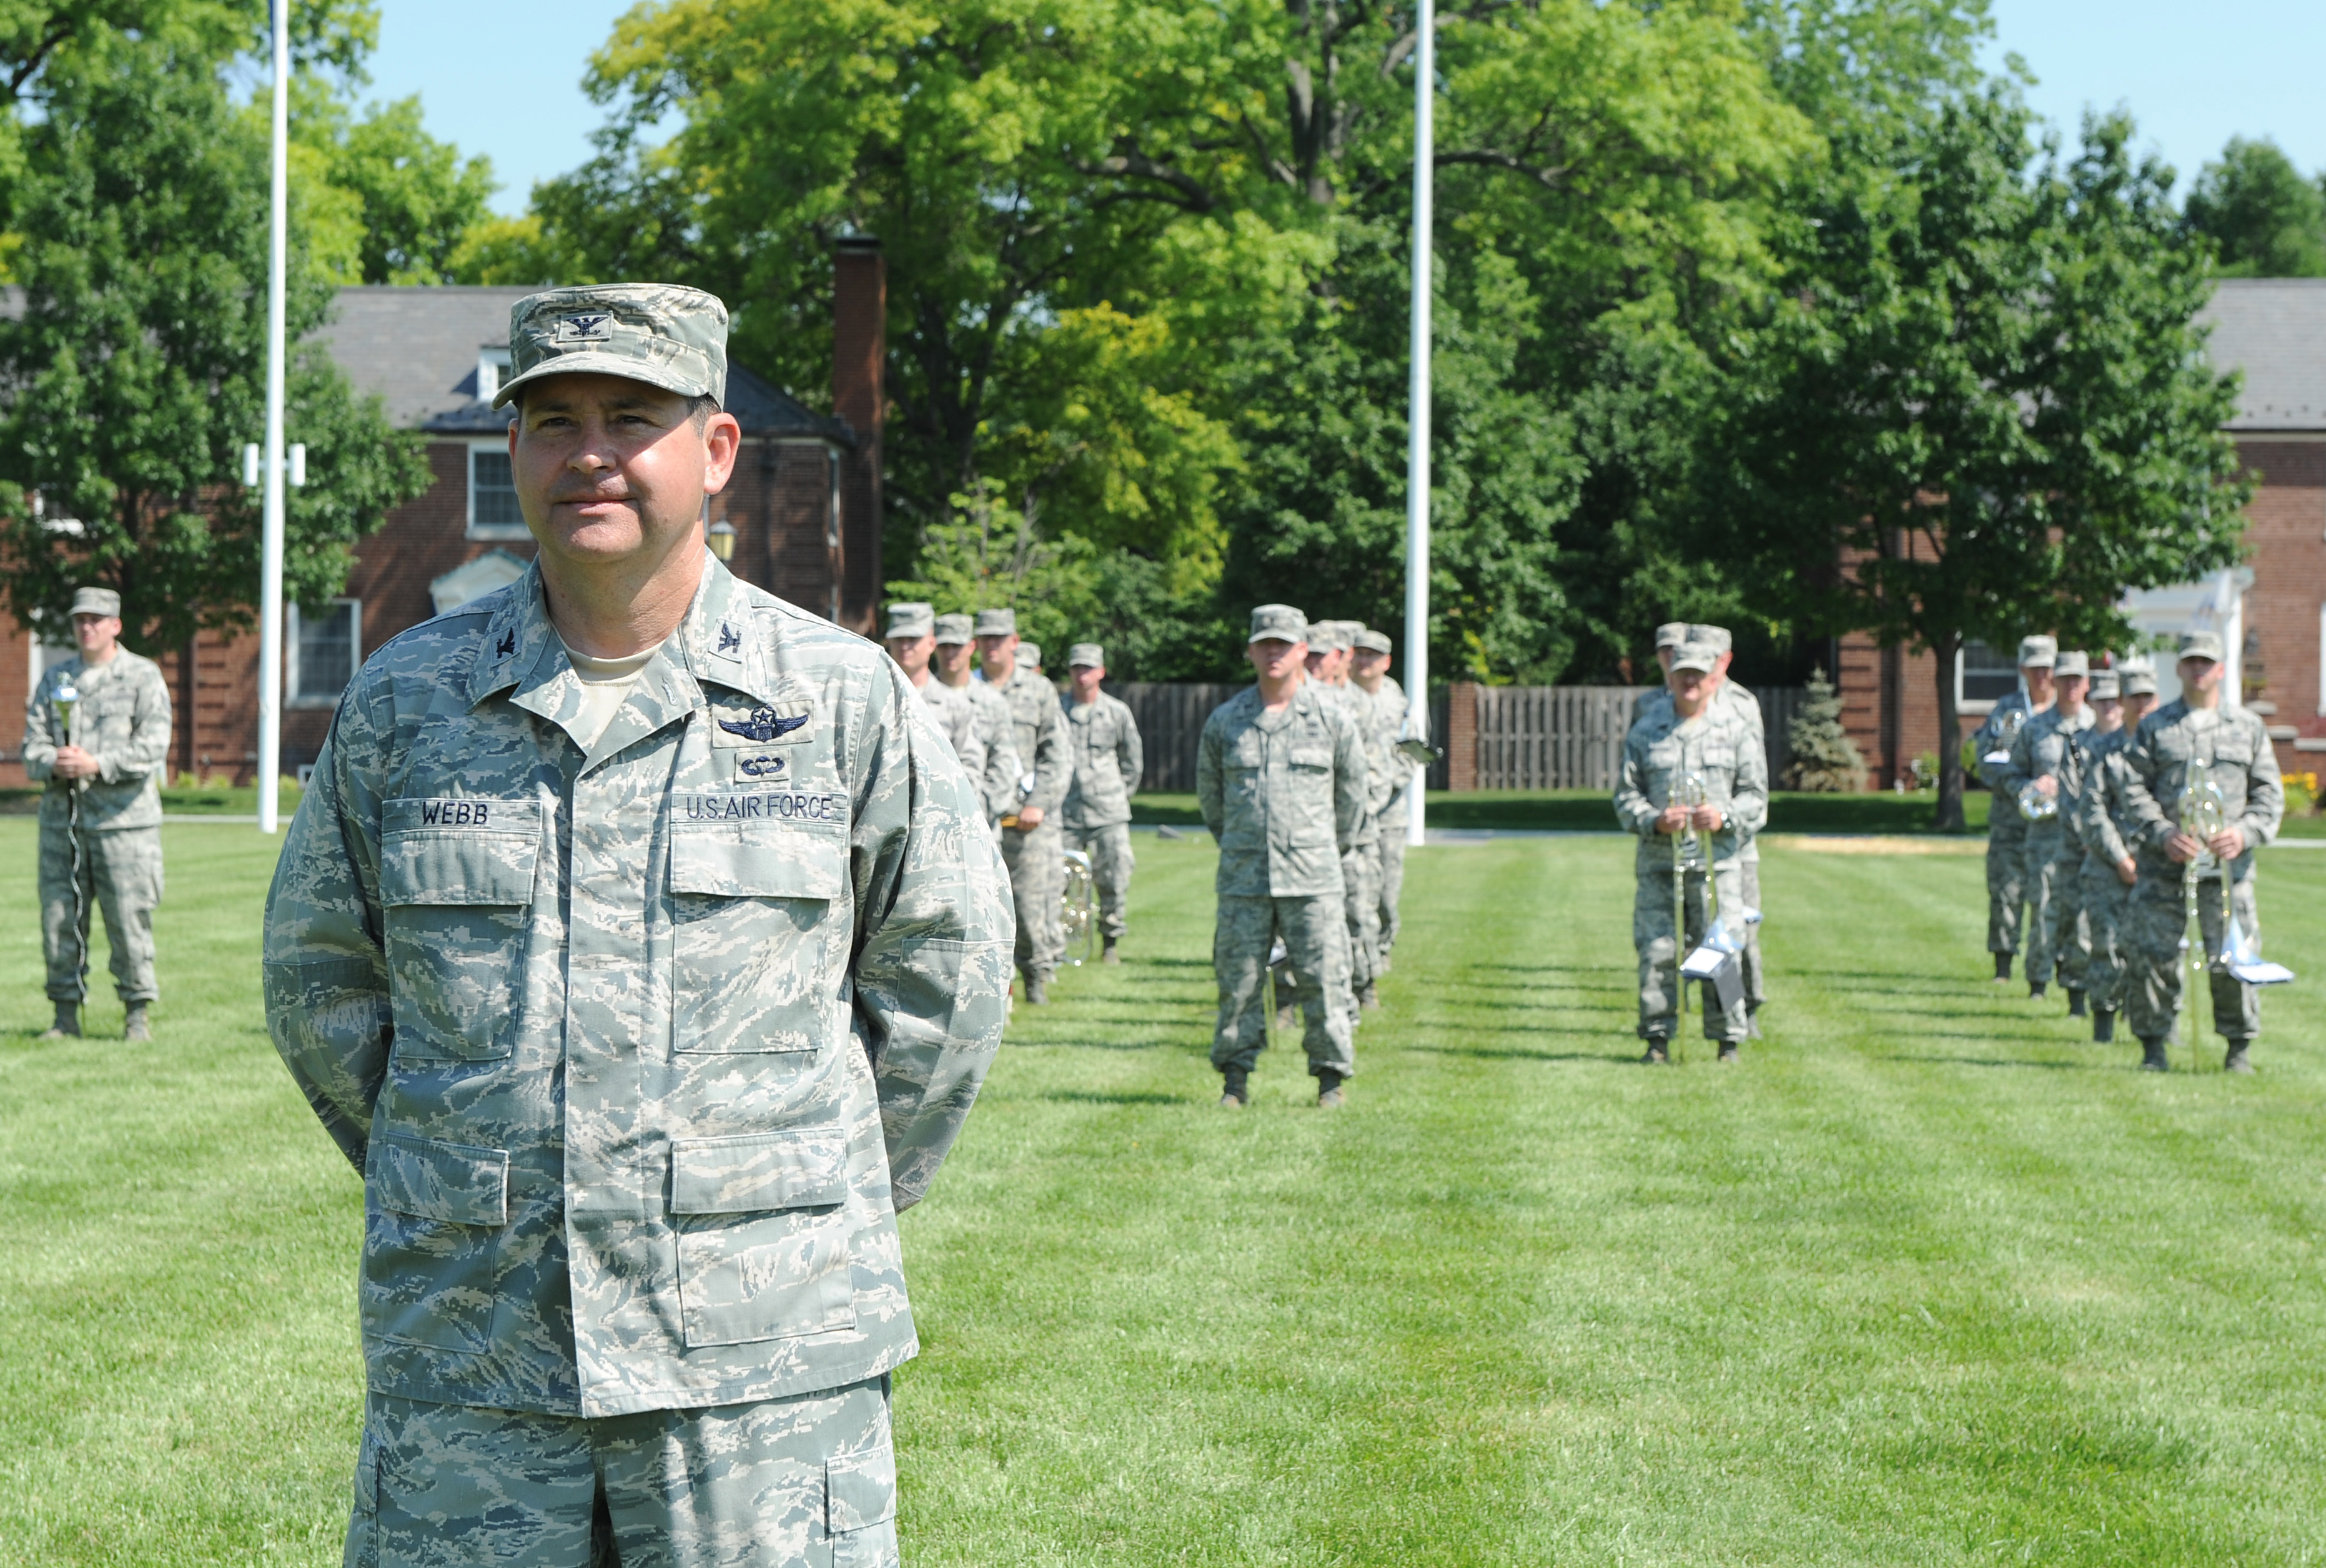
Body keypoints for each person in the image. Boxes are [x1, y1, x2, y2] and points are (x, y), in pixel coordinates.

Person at [262, 282, 1012, 1568]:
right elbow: (322, 980)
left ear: (714, 451)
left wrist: (787, 1197)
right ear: (514, 452)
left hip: (762, 1372)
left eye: (631, 416)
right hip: (477, 1362)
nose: (589, 453)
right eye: (552, 421)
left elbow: (944, 981)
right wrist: (462, 1175)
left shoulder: (835, 702)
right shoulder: (409, 705)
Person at [1197, 604, 1367, 1108]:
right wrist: (1241, 845)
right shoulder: (1226, 722)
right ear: (1251, 650)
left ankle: (1330, 1080)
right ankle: (1235, 1080)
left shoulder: (1332, 719)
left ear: (1301, 652)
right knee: (1239, 981)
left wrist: (1324, 851)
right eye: (1264, 643)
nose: (1273, 652)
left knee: (1325, 981)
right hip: (1244, 878)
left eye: (1283, 644)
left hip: (1314, 877)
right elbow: (1212, 800)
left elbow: (1353, 798)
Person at [2117, 631, 2284, 1073]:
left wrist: (2244, 833)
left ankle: (2238, 1048)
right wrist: (2163, 832)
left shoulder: (2247, 727)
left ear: (2221, 669)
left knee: (2232, 957)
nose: (2198, 669)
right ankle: (2153, 1045)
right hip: (2164, 865)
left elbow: (2269, 795)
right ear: (2178, 668)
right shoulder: (2156, 726)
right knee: (2152, 954)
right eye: (2191, 661)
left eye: (2207, 662)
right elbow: (2132, 789)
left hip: (2227, 872)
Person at [21, 585, 172, 1042]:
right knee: (59, 921)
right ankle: (64, 1015)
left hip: (124, 826)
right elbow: (31, 746)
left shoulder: (142, 676)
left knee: (129, 920)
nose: (86, 627)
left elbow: (153, 745)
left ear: (115, 625)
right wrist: (53, 762)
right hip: (63, 825)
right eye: (79, 619)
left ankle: (136, 1016)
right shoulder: (55, 680)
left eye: (96, 619)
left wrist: (98, 764)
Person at [1613, 640, 1768, 1063]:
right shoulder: (1646, 731)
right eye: (1682, 672)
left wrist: (1724, 817)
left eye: (1698, 674)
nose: (1690, 681)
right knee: (1657, 951)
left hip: (1718, 867)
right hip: (1661, 866)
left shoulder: (1735, 729)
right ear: (1671, 676)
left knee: (1723, 950)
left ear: (1711, 678)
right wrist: (1655, 820)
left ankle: (1729, 1041)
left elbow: (1757, 797)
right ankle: (1658, 1039)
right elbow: (1625, 796)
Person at [976, 608, 1073, 1004]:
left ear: (1014, 642)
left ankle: (1036, 977)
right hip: (979, 817)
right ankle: (989, 987)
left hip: (1027, 820)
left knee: (1031, 908)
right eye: (985, 638)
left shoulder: (1039, 691)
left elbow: (1058, 754)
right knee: (980, 908)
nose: (992, 646)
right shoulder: (966, 692)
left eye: (1000, 638)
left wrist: (1040, 803)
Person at [2000, 649, 2093, 1003]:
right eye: (2064, 678)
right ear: (2055, 682)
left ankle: (2076, 987)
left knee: (2081, 913)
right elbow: (2011, 776)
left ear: (2086, 684)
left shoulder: (2097, 727)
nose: (2071, 686)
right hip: (2046, 836)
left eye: (2077, 679)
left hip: (2085, 838)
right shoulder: (2035, 728)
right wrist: (2032, 788)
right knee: (2042, 908)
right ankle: (2038, 982)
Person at [1690, 623, 1769, 1035]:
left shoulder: (1741, 704)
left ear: (1726, 659)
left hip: (1736, 845)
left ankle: (1745, 1010)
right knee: (1690, 936)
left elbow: (1755, 781)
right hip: (1684, 846)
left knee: (1737, 935)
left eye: (1713, 657)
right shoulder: (1665, 703)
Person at [2075, 663, 2155, 1043]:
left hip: (2157, 866)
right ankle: (2104, 1025)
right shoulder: (2104, 750)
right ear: (2121, 701)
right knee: (2105, 947)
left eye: (2147, 696)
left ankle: (2158, 1026)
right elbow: (2091, 810)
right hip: (2108, 867)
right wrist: (2121, 858)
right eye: (2133, 696)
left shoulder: (2168, 747)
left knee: (2156, 951)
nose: (2140, 704)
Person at [1970, 636, 2057, 981]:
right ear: (2023, 670)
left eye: (2047, 669)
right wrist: (2023, 787)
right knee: (2006, 892)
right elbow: (1988, 759)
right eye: (2035, 669)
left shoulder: (2062, 713)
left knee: (2051, 896)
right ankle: (2003, 966)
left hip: (2054, 825)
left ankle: (2051, 968)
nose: (2042, 676)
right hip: (2010, 820)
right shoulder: (2008, 712)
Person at [1059, 643, 1142, 963]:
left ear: (1101, 672)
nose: (1083, 674)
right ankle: (1060, 945)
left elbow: (1133, 761)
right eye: (1077, 668)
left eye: (1089, 668)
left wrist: (1120, 795)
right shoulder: (1057, 710)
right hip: (1066, 811)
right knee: (1059, 881)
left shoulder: (1117, 711)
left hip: (1108, 811)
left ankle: (1111, 942)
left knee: (1114, 876)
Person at [1349, 628, 1409, 972]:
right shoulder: (1337, 698)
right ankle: (1360, 961)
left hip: (1388, 813)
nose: (1365, 660)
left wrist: (1382, 789)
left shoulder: (1399, 702)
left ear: (1386, 662)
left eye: (1373, 655)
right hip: (1350, 811)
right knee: (1358, 892)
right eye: (1360, 653)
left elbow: (1413, 751)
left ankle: (1383, 946)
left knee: (1385, 892)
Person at [933, 612, 1021, 826]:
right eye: (944, 646)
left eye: (957, 646)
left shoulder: (992, 701)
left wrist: (977, 810)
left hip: (981, 822)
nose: (950, 653)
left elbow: (1003, 763)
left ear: (971, 647)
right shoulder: (920, 698)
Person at [884, 601, 984, 781]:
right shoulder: (874, 700)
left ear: (931, 643)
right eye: (899, 639)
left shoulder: (956, 706)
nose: (905, 646)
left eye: (913, 639)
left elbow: (971, 773)